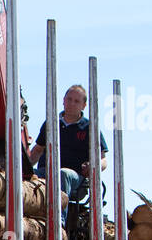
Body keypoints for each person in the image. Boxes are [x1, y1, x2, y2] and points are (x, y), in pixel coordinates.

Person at [29, 84, 108, 221]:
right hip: (46, 171)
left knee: (63, 174)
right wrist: (24, 167)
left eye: (76, 101)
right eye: (69, 99)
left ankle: (59, 222)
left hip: (75, 179)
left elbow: (103, 160)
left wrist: (94, 166)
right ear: (63, 100)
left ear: (84, 105)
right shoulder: (51, 124)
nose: (71, 103)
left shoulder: (90, 128)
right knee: (28, 175)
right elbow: (37, 150)